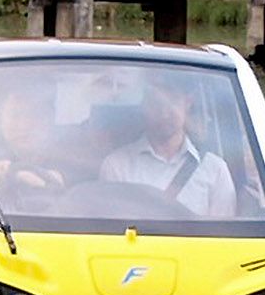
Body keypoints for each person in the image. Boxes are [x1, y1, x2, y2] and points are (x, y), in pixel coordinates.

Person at [99, 74, 236, 217]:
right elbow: (113, 232)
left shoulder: (215, 169)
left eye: (172, 103)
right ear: (144, 106)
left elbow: (223, 235)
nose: (164, 113)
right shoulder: (117, 166)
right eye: (156, 104)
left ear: (187, 103)